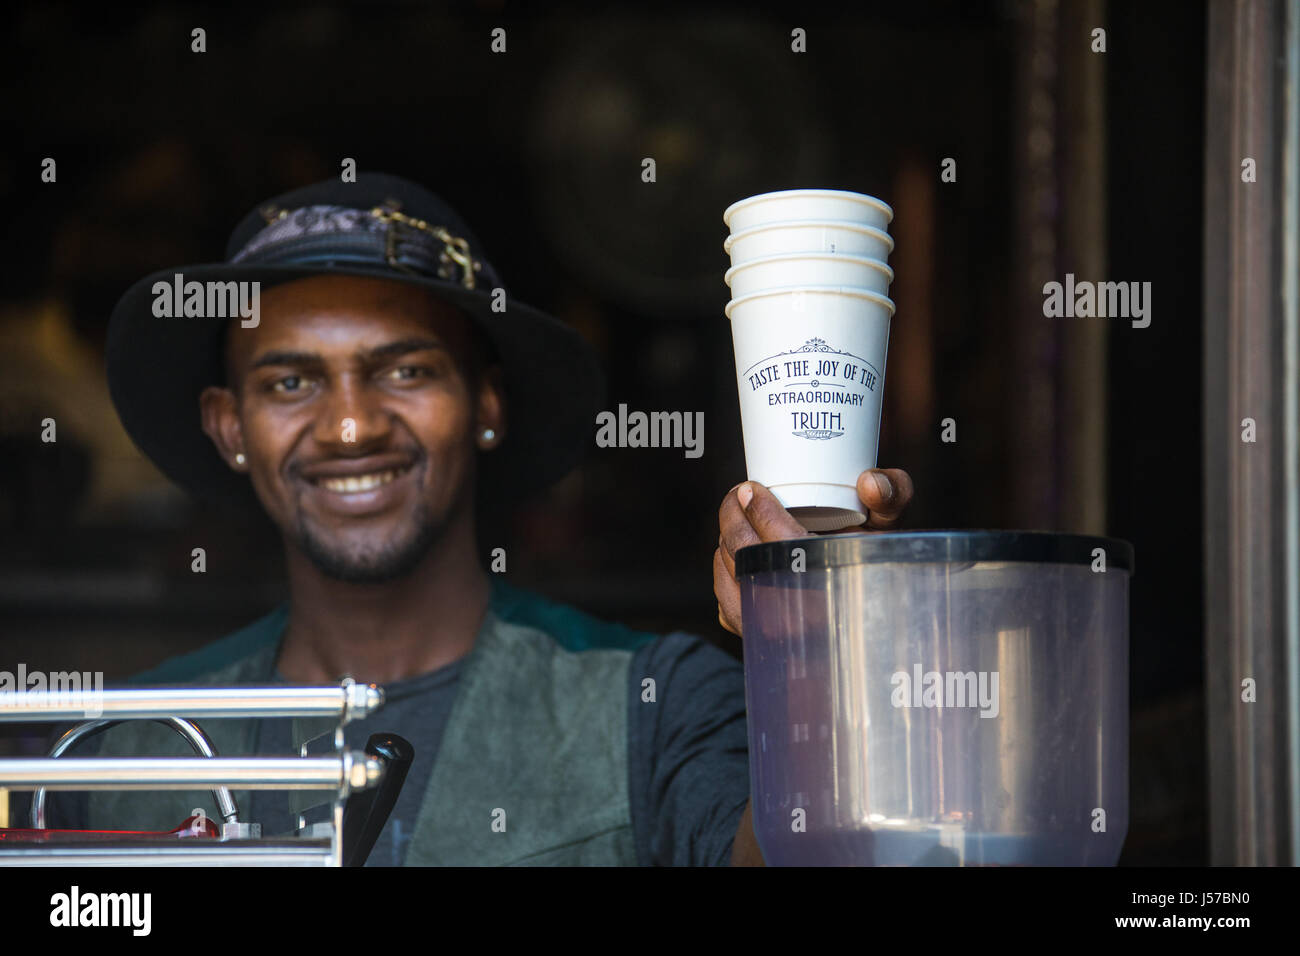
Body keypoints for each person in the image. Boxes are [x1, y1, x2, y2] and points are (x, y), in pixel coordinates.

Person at [26, 173, 913, 866]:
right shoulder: (125, 752)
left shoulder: (654, 705)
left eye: (406, 370)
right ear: (231, 428)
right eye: (291, 382)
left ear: (487, 404)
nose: (350, 425)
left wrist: (820, 638)